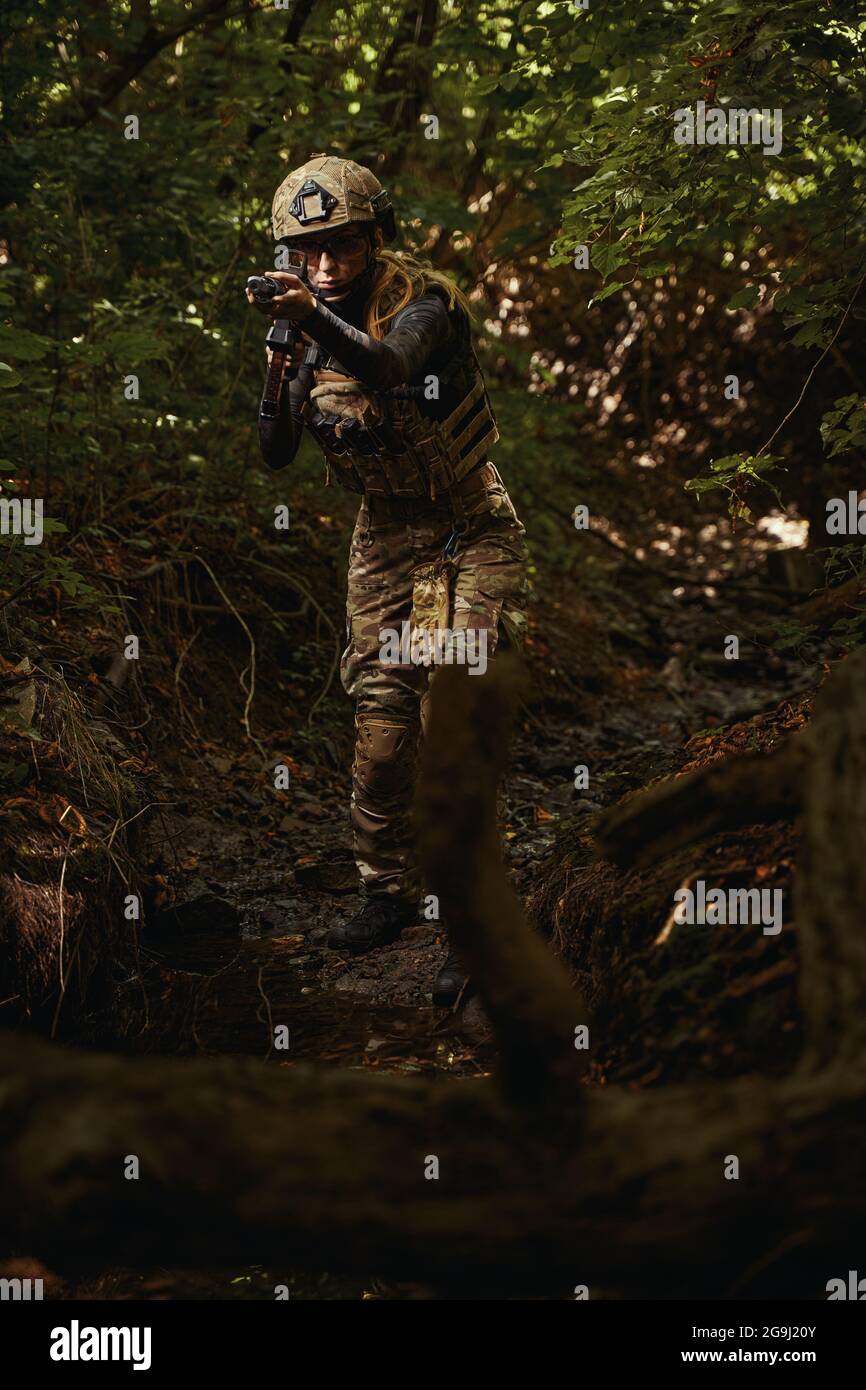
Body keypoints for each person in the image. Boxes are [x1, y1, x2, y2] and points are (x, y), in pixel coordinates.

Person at [246, 154, 529, 1007]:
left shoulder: (425, 304)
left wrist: (313, 321)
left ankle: (473, 920)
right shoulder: (302, 318)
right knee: (380, 727)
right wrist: (277, 365)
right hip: (386, 539)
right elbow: (274, 452)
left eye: (342, 249)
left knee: (452, 718)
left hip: (467, 525)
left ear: (375, 238)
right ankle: (388, 890)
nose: (325, 268)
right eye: (308, 253)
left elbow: (389, 368)